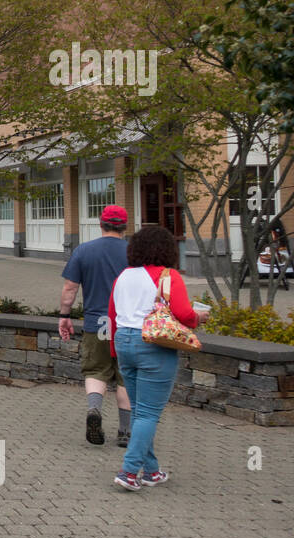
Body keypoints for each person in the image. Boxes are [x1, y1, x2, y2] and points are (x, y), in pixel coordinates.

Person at [106, 225, 209, 491]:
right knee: (149, 414)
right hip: (153, 344)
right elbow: (185, 314)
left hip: (124, 341)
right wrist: (200, 317)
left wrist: (115, 352)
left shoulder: (123, 276)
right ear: (167, 250)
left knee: (140, 411)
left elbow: (113, 313)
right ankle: (129, 472)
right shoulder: (169, 276)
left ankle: (151, 471)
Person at [58, 205, 132, 446]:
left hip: (96, 323)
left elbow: (70, 288)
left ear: (101, 224)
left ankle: (94, 410)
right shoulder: (135, 252)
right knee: (126, 377)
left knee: (95, 371)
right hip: (128, 324)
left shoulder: (84, 250)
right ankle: (125, 431)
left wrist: (64, 315)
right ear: (125, 226)